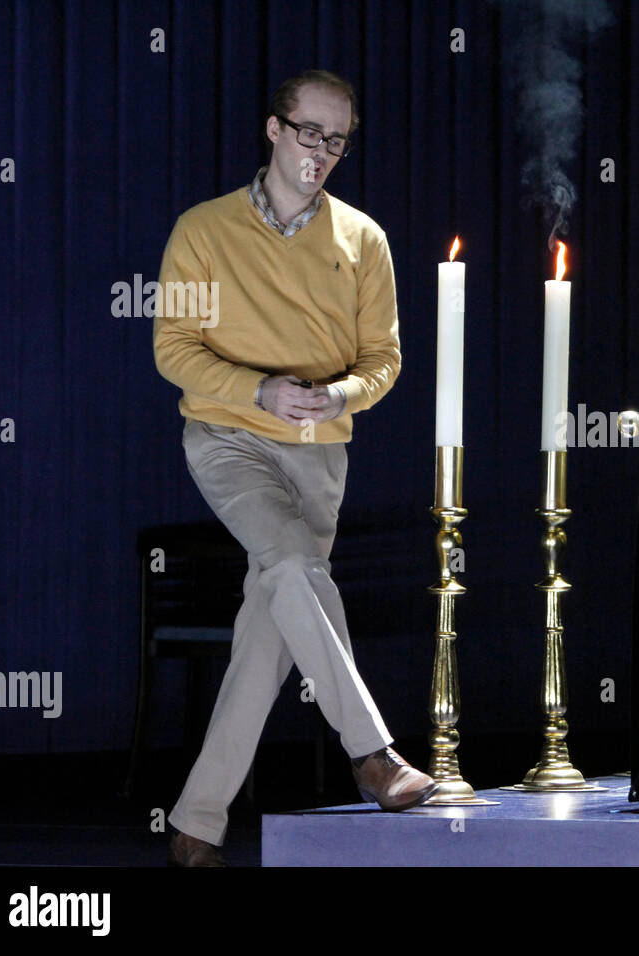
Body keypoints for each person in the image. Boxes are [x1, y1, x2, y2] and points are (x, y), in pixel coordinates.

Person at [153, 69, 437, 867]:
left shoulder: (362, 239)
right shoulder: (202, 231)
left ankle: (195, 827)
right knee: (287, 561)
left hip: (320, 450)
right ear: (273, 129)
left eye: (337, 139)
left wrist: (340, 392)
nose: (321, 151)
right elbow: (173, 350)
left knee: (269, 630)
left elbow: (382, 360)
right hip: (229, 438)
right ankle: (373, 753)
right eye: (308, 131)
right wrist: (256, 389)